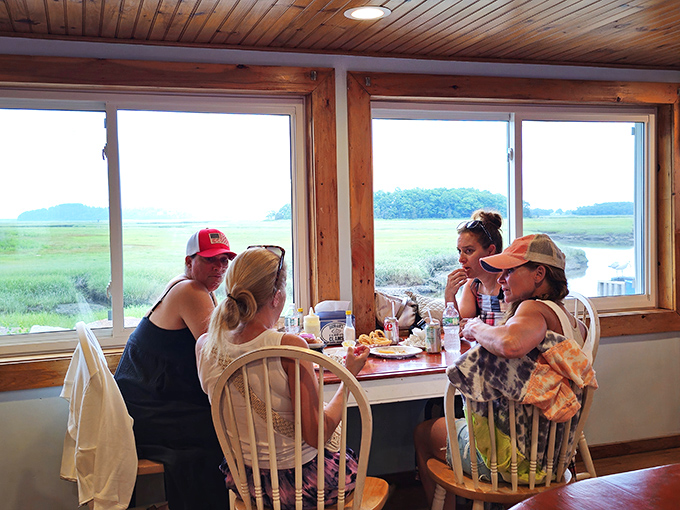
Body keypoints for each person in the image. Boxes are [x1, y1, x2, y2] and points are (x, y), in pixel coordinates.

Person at [414, 234, 598, 509]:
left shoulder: (532, 309)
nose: (500, 279)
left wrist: (475, 326)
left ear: (539, 274)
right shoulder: (573, 324)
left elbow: (510, 343)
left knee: (424, 432)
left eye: (509, 271)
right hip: (554, 457)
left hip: (517, 461)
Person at [196, 246, 370, 509]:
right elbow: (317, 435)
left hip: (247, 484)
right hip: (302, 486)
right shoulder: (289, 346)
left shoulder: (206, 344)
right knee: (350, 458)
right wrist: (348, 376)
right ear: (277, 297)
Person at [114, 228, 236, 510]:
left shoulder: (186, 285)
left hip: (142, 404)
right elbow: (221, 353)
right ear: (189, 261)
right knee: (223, 431)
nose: (219, 268)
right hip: (150, 414)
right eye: (210, 260)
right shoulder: (190, 291)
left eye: (224, 261)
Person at [445, 210, 505, 326]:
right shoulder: (473, 286)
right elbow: (458, 329)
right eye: (459, 251)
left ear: (490, 251)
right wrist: (449, 296)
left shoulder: (510, 285)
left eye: (468, 251)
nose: (461, 259)